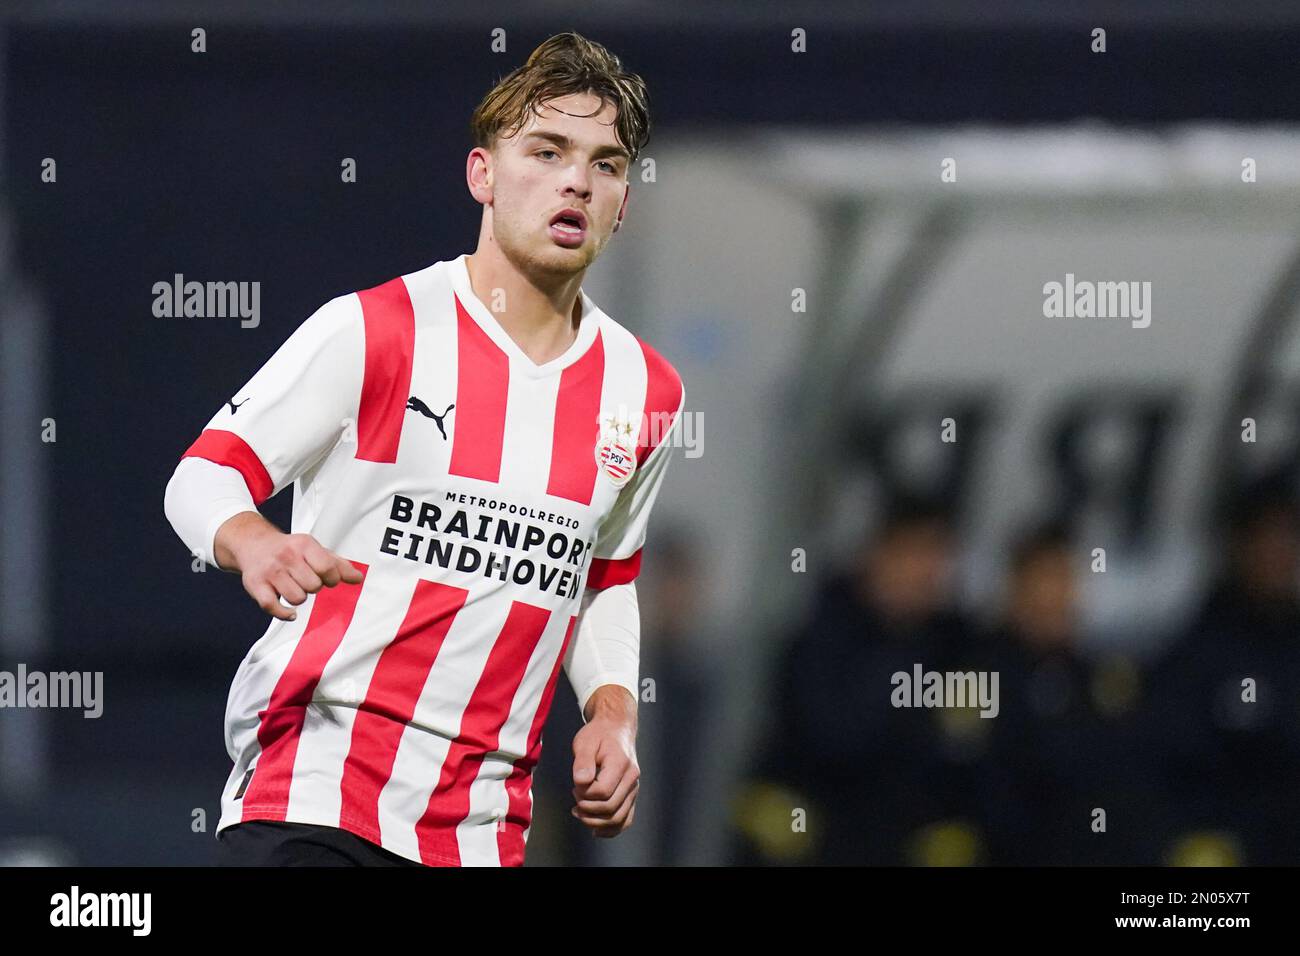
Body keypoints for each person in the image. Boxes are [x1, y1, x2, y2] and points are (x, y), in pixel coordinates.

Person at [162, 32, 685, 867]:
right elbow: (201, 476)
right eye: (547, 151)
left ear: (623, 201)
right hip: (317, 792)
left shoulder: (647, 391)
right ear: (483, 174)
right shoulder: (375, 330)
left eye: (606, 163)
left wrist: (613, 711)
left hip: (483, 834)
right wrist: (251, 538)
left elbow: (606, 578)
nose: (577, 180)